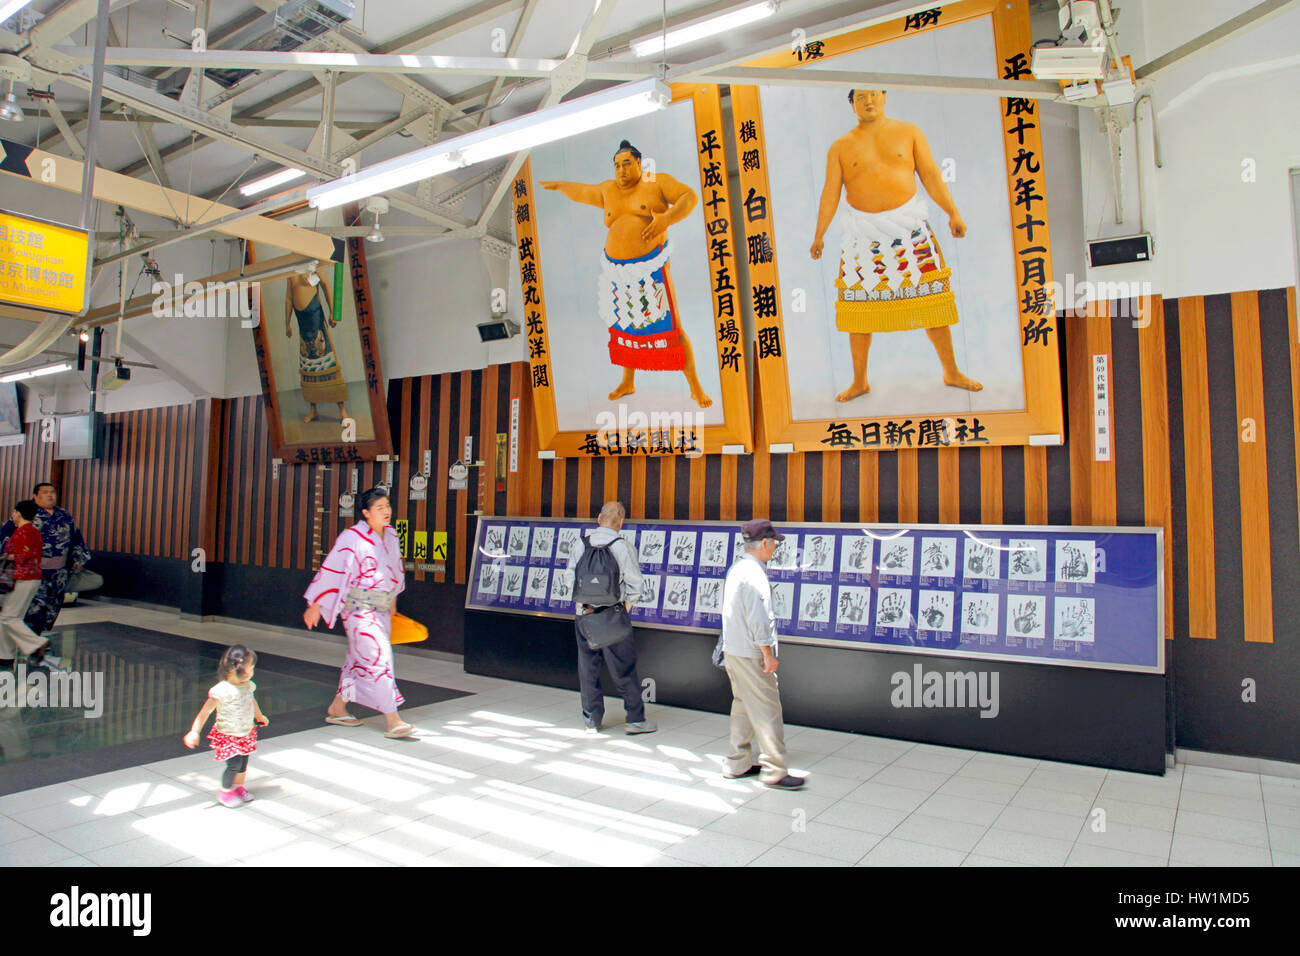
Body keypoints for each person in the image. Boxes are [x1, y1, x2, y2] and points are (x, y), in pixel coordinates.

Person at [811, 89, 982, 402]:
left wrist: (952, 212)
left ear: (885, 97)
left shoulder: (909, 132)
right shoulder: (840, 147)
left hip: (910, 228)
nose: (868, 101)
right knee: (858, 311)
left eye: (873, 95)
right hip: (863, 236)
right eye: (860, 97)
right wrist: (819, 233)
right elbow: (831, 192)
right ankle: (860, 381)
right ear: (851, 104)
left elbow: (930, 174)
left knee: (933, 303)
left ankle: (951, 370)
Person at [541, 141, 713, 407]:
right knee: (626, 329)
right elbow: (582, 192)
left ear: (639, 163)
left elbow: (689, 197)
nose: (621, 170)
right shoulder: (608, 190)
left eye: (626, 164)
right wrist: (558, 185)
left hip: (651, 270)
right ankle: (628, 381)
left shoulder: (656, 182)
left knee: (672, 330)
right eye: (617, 165)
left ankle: (695, 387)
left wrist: (667, 219)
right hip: (618, 274)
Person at [302, 487, 415, 738]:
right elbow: (332, 569)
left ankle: (338, 707)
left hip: (382, 608)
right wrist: (317, 605)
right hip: (358, 611)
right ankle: (393, 719)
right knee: (379, 658)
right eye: (379, 508)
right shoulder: (351, 537)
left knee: (357, 663)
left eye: (387, 506)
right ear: (366, 513)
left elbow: (395, 572)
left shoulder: (392, 536)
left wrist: (393, 603)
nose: (386, 512)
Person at [719, 519, 803, 789]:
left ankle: (738, 762)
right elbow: (758, 618)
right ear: (765, 543)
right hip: (751, 652)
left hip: (734, 649)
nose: (775, 549)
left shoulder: (738, 568)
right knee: (767, 708)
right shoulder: (755, 573)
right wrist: (767, 653)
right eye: (774, 543)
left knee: (743, 704)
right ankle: (774, 769)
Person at [566, 501, 656, 734]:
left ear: (599, 518)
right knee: (624, 667)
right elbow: (635, 584)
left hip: (584, 615)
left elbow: (569, 580)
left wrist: (583, 605)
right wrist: (625, 607)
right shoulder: (622, 546)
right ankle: (635, 719)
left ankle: (591, 721)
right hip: (613, 615)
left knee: (588, 668)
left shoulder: (580, 543)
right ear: (621, 522)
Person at [0, 482, 91, 640]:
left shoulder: (64, 515)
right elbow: (6, 535)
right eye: (45, 492)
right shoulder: (27, 513)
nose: (50, 495)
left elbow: (76, 538)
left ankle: (35, 640)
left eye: (52, 492)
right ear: (36, 496)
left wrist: (79, 559)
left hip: (59, 572)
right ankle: (29, 642)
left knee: (52, 607)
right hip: (33, 570)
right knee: (33, 608)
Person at [183, 644, 269, 808]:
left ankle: (238, 787)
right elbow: (205, 712)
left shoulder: (248, 686)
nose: (252, 672)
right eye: (250, 668)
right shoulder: (221, 690)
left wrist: (259, 716)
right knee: (234, 764)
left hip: (245, 732)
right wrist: (194, 731)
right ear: (233, 669)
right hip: (228, 734)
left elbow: (252, 701)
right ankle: (225, 791)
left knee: (243, 762)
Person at [0, 500, 67, 670]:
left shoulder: (23, 532)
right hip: (33, 578)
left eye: (14, 513)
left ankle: (37, 644)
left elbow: (23, 556)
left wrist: (7, 557)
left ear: (19, 513)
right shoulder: (34, 531)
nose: (13, 516)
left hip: (22, 579)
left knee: (8, 618)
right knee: (8, 618)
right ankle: (5, 656)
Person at [285, 266, 349, 424]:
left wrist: (333, 311)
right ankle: (313, 409)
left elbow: (327, 285)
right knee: (308, 367)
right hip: (302, 326)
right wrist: (287, 323)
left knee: (328, 364)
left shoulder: (314, 263)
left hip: (316, 321)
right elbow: (288, 298)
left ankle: (342, 410)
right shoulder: (291, 267)